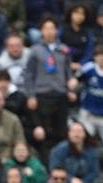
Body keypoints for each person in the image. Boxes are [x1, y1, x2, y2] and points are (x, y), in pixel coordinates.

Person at [22, 16, 75, 150]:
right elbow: (29, 74)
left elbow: (68, 72)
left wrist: (71, 90)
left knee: (61, 131)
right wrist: (31, 95)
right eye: (46, 28)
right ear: (41, 31)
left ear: (57, 31)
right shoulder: (35, 50)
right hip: (42, 94)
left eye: (52, 28)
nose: (49, 31)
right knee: (44, 133)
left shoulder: (64, 50)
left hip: (60, 94)